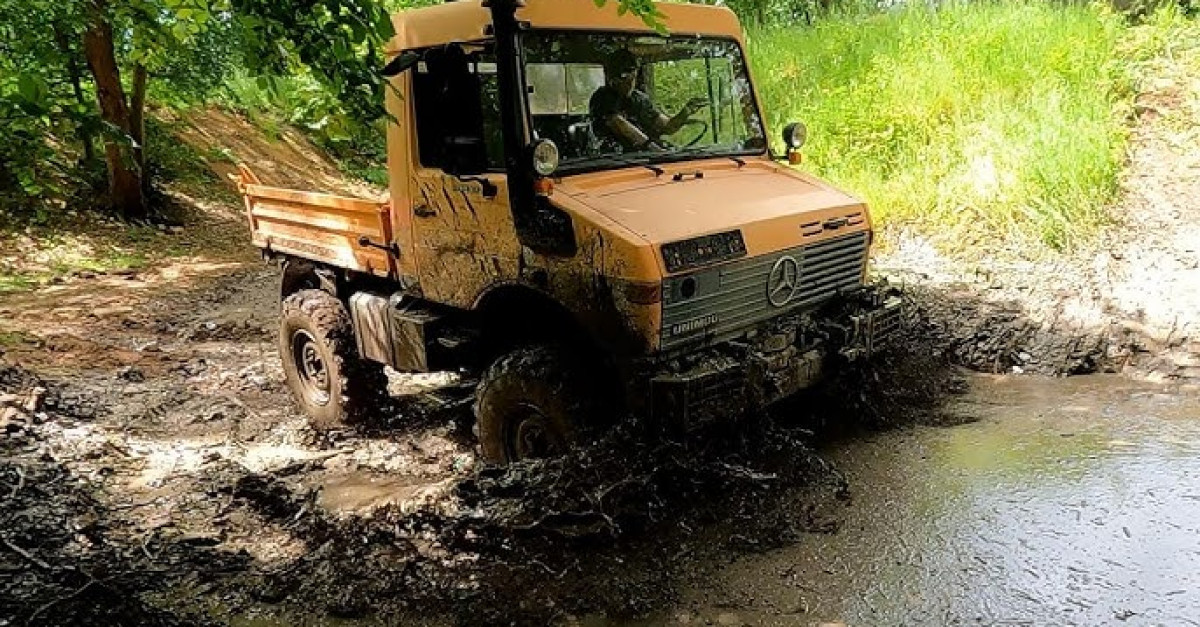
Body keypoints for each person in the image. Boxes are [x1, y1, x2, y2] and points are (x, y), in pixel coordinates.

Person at [588, 49, 707, 151]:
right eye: (622, 77)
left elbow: (666, 126)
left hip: (646, 159)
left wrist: (684, 113)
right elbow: (619, 124)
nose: (628, 83)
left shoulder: (640, 99)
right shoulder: (602, 97)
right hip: (611, 162)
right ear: (611, 77)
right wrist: (652, 147)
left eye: (632, 75)